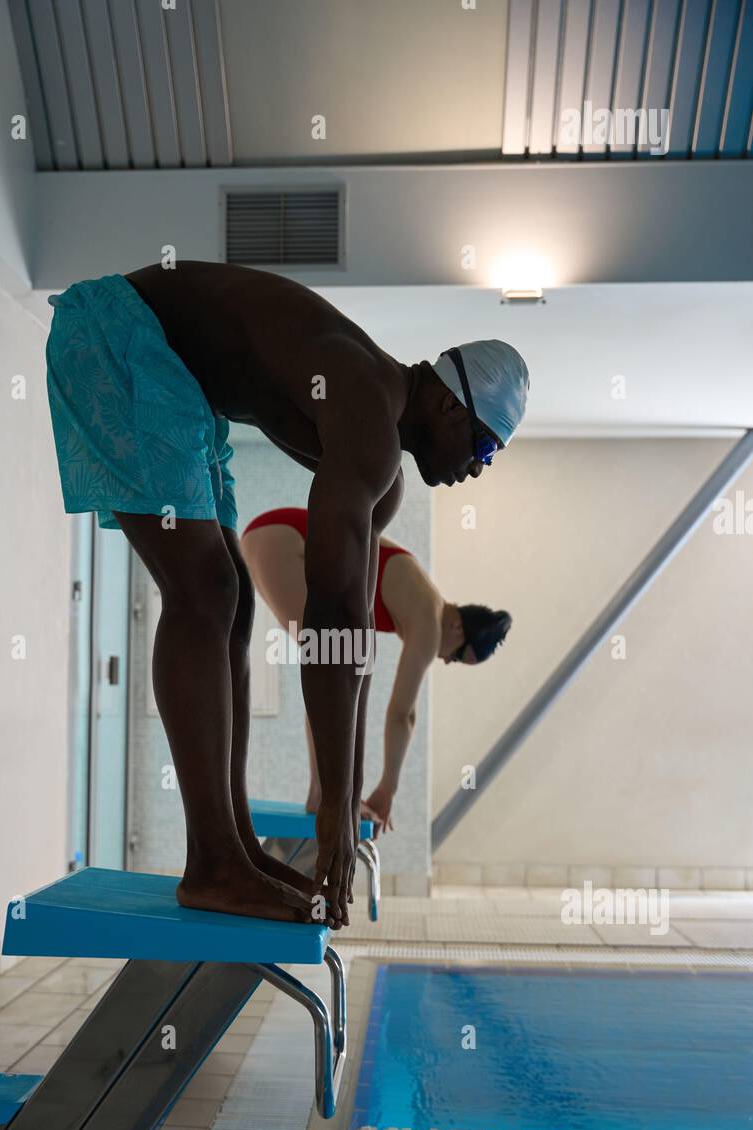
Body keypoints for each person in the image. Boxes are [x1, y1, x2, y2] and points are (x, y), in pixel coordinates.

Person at [45, 260, 529, 926]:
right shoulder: (365, 406)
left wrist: (347, 792)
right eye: (483, 445)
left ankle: (234, 847)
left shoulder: (384, 472)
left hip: (181, 378)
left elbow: (350, 640)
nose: (478, 468)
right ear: (448, 402)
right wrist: (332, 805)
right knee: (205, 587)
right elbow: (328, 614)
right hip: (121, 331)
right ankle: (213, 862)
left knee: (232, 594)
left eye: (491, 455)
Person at [242, 507, 512, 830]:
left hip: (273, 536)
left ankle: (326, 794)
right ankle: (326, 796)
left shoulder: (423, 601)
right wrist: (388, 788)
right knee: (334, 665)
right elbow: (403, 714)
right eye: (455, 656)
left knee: (337, 665)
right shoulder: (431, 622)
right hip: (283, 540)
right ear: (457, 627)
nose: (443, 660)